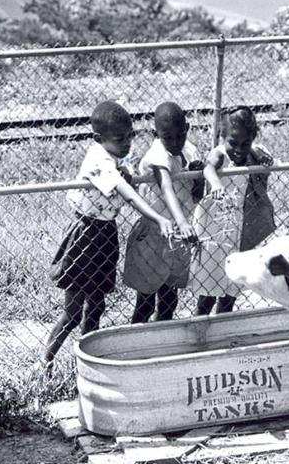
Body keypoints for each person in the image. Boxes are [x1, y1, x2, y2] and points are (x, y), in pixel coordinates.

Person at [41, 100, 176, 370]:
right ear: (98, 138)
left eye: (130, 136)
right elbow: (126, 193)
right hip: (86, 236)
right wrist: (158, 217)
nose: (127, 143)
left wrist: (124, 171)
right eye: (119, 139)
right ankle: (46, 359)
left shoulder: (112, 158)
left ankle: (87, 359)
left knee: (97, 304)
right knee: (73, 309)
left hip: (105, 233)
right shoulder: (99, 159)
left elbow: (121, 179)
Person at [192, 106, 276, 315]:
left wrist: (260, 155)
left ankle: (224, 325)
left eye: (245, 143)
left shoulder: (251, 154)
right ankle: (199, 328)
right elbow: (208, 168)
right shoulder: (220, 155)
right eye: (233, 143)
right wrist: (217, 185)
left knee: (233, 286)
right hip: (215, 230)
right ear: (222, 137)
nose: (239, 149)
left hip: (237, 228)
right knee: (210, 289)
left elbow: (265, 158)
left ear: (252, 140)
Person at [124, 101, 200, 324]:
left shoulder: (190, 150)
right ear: (156, 133)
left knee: (169, 297)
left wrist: (199, 178)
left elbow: (196, 194)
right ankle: (135, 344)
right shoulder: (157, 155)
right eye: (168, 137)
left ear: (186, 129)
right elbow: (166, 187)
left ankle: (160, 341)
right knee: (146, 301)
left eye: (180, 135)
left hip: (177, 235)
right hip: (155, 234)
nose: (175, 142)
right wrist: (183, 223)